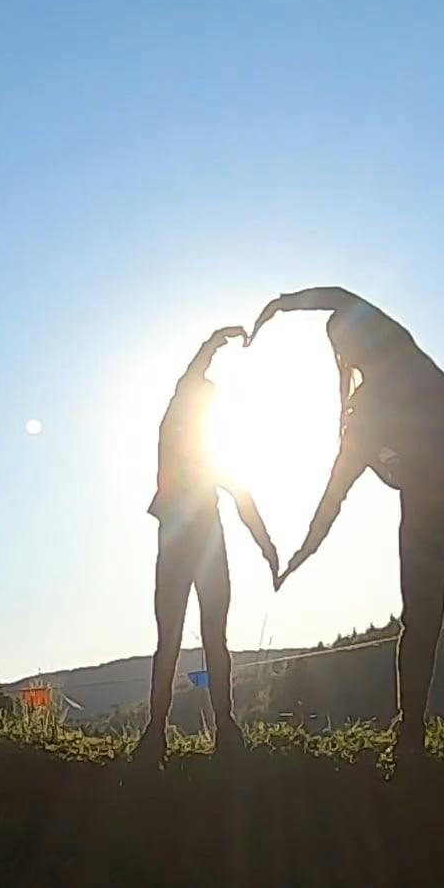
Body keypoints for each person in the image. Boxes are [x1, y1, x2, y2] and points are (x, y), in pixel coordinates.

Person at [251, 287, 444, 763]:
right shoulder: (364, 416)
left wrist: (283, 303)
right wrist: (301, 554)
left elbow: (339, 296)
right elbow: (333, 497)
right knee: (431, 624)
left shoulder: (403, 360)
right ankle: (413, 734)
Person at [137, 325, 280, 763]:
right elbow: (189, 378)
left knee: (205, 639)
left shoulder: (205, 452)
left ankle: (219, 728)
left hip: (202, 545)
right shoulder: (174, 429)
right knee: (176, 640)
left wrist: (266, 545)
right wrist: (213, 342)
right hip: (187, 544)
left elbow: (241, 496)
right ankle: (162, 731)